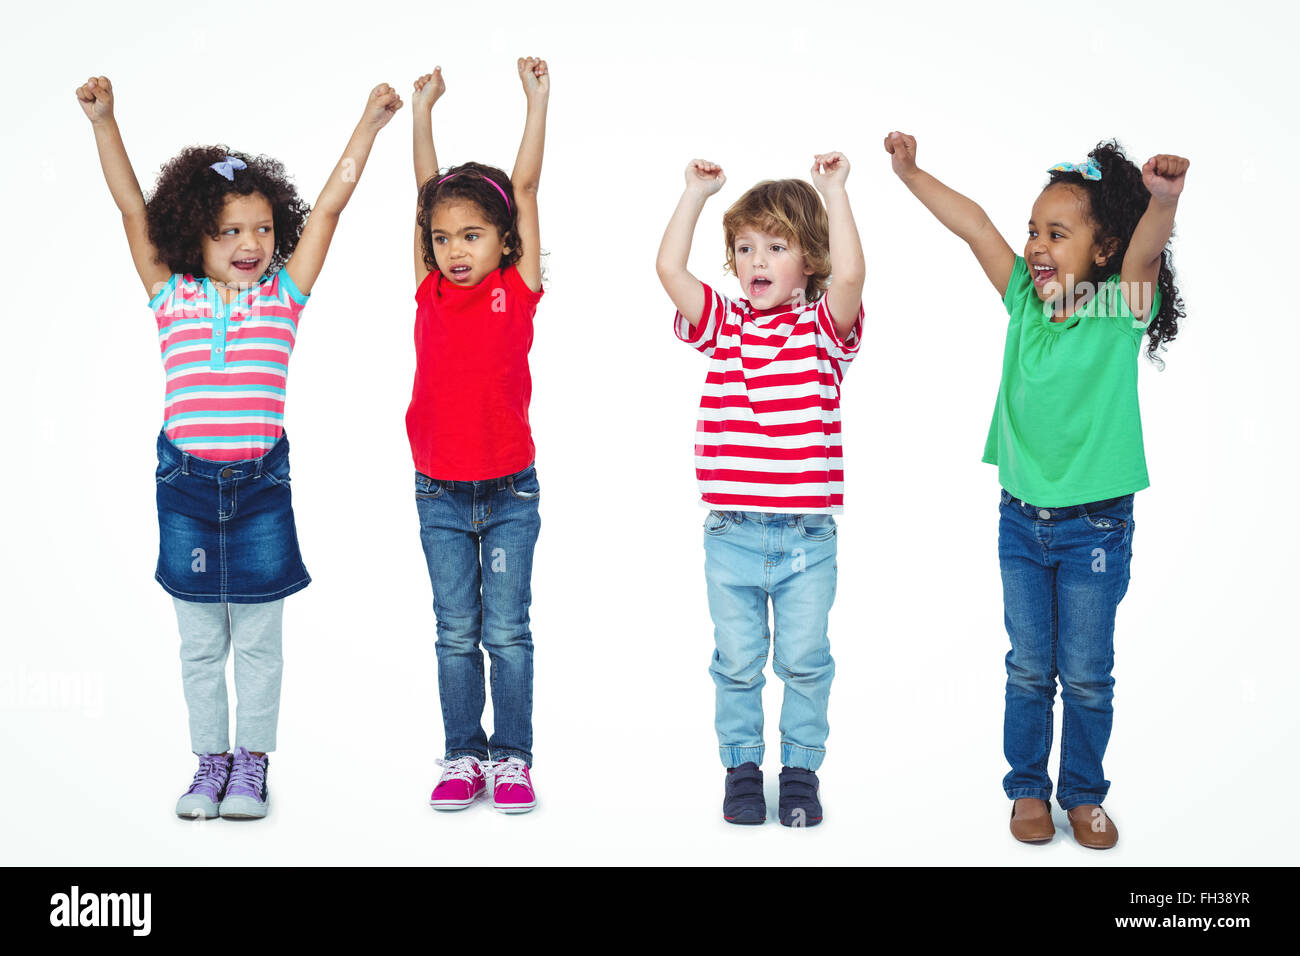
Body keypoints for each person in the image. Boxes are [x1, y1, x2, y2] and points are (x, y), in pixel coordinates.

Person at [78, 75, 401, 819]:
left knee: (257, 640)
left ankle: (251, 764)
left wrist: (370, 123)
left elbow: (328, 208)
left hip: (259, 491)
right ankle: (208, 763)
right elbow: (131, 206)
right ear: (194, 235)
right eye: (228, 231)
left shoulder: (283, 299)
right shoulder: (173, 296)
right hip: (187, 489)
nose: (249, 243)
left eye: (260, 228)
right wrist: (105, 123)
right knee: (199, 643)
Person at [885, 130, 1189, 848]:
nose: (1036, 245)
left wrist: (1165, 201)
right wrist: (910, 172)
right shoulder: (1023, 299)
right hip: (1021, 522)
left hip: (1095, 529)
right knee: (1027, 666)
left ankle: (1082, 793)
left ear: (1103, 250)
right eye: (1034, 231)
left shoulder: (1120, 310)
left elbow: (1148, 248)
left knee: (1085, 673)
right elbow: (974, 227)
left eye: (1057, 232)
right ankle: (1028, 788)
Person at [657, 155, 866, 826]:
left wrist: (834, 191)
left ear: (810, 259)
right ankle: (742, 769)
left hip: (807, 536)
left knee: (805, 662)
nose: (757, 260)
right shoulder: (725, 321)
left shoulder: (821, 328)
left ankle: (800, 770)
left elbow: (855, 275)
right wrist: (695, 194)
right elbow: (668, 271)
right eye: (745, 247)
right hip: (733, 532)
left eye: (776, 246)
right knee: (737, 663)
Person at [407, 59, 548, 814]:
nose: (455, 249)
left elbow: (524, 190)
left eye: (473, 235)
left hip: (509, 492)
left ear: (504, 242)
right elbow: (422, 191)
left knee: (509, 632)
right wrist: (423, 110)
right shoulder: (429, 287)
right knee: (456, 630)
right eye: (442, 238)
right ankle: (464, 751)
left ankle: (514, 759)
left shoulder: (515, 292)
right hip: (438, 492)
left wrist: (537, 102)